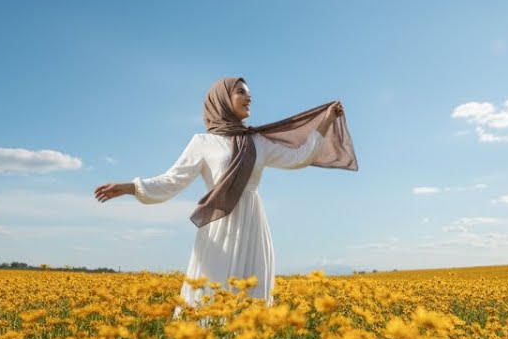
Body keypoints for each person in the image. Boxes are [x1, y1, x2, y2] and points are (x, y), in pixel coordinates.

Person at [93, 76, 357, 308]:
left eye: (248, 92)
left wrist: (325, 121)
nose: (248, 96)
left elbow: (298, 157)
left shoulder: (257, 141)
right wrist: (130, 187)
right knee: (212, 292)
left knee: (251, 293)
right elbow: (172, 180)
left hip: (253, 225)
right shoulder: (203, 143)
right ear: (221, 99)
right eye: (240, 91)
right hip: (219, 226)